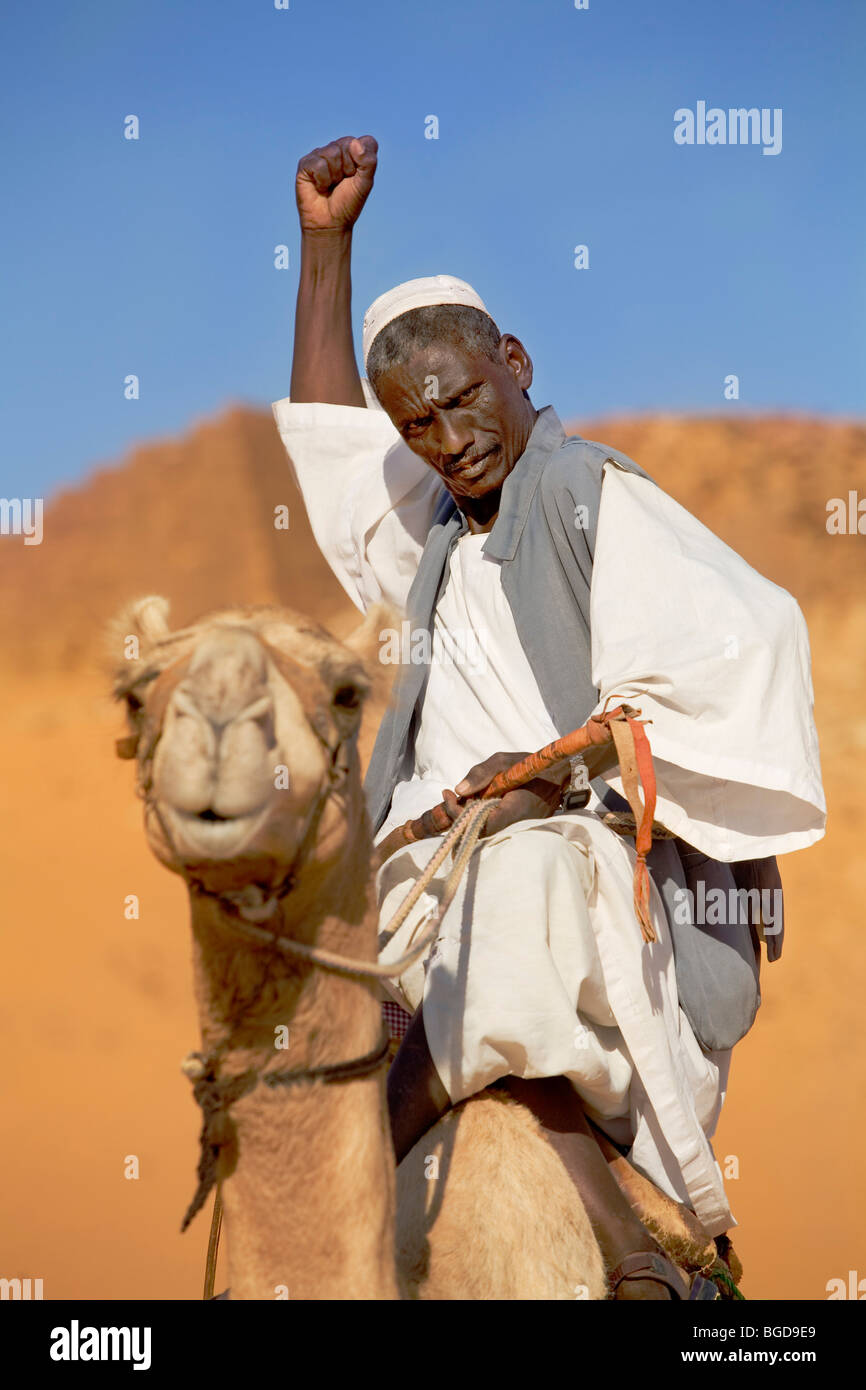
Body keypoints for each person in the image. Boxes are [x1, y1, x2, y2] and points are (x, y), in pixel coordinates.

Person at [273, 135, 825, 1299]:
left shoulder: (587, 496)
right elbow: (330, 463)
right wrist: (324, 247)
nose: (449, 437)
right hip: (431, 874)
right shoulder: (432, 530)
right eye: (416, 427)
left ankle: (374, 1146)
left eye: (465, 400)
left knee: (515, 893)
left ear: (514, 362)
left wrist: (562, 771)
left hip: (598, 866)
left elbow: (755, 633)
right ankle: (619, 1246)